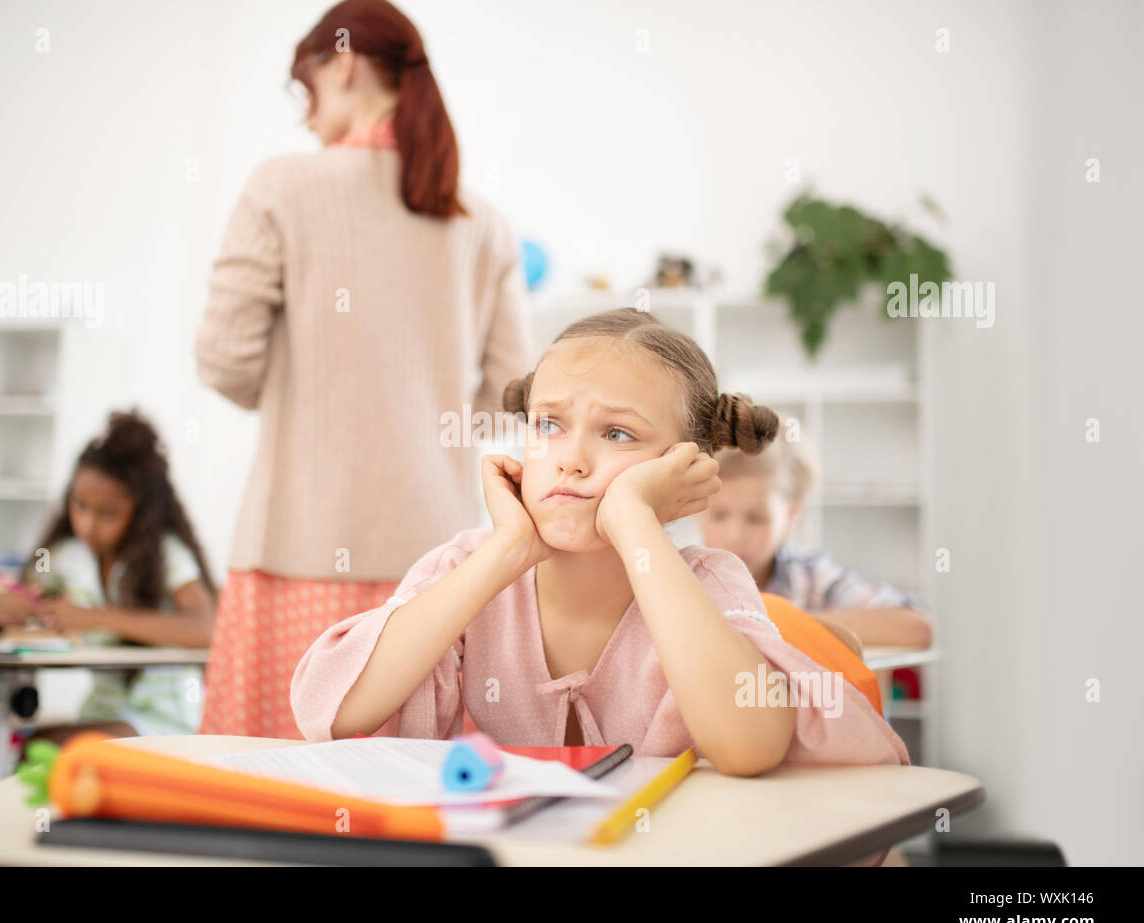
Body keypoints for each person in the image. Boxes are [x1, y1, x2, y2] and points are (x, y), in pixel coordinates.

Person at [290, 309, 909, 776]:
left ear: (683, 466)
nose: (571, 461)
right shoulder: (468, 568)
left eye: (616, 433)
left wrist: (635, 519)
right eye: (549, 425)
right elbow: (336, 711)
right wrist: (507, 553)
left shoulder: (708, 582)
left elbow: (749, 746)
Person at [195, 0, 534, 738]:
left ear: (342, 63)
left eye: (304, 90)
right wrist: (426, 420)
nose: (304, 116)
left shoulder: (280, 186)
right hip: (437, 570)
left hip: (295, 549)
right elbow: (514, 391)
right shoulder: (482, 222)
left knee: (276, 796)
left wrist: (300, 394)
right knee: (413, 797)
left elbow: (224, 361)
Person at [0, 411, 217, 744]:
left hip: (166, 719)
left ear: (141, 512)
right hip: (102, 711)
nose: (88, 525)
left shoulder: (166, 554)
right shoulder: (66, 557)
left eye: (108, 514)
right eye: (80, 506)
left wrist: (94, 618)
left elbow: (205, 629)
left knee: (49, 748)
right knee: (38, 746)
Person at [697, 439, 934, 648]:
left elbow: (916, 626)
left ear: (791, 514)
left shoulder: (808, 576)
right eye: (718, 516)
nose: (735, 535)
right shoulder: (685, 576)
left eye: (757, 519)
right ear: (698, 510)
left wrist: (782, 622)